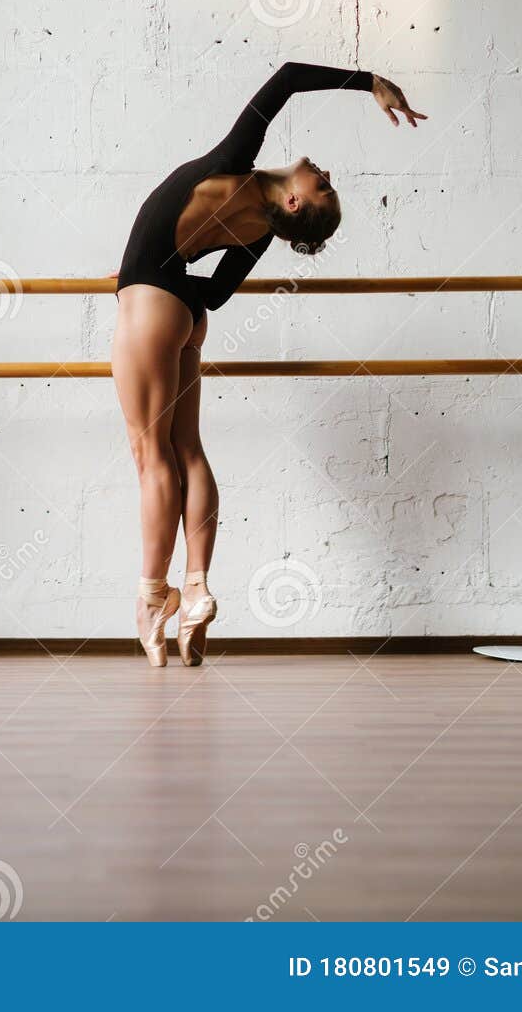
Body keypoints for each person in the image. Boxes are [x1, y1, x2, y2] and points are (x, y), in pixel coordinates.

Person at [111, 61, 426, 667]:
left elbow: (283, 79)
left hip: (153, 304)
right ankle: (196, 587)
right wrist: (152, 280)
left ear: (291, 200)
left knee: (151, 460)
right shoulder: (258, 232)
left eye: (323, 190)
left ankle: (153, 599)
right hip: (182, 313)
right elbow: (216, 295)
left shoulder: (233, 165)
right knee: (189, 453)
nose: (326, 176)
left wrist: (369, 82)